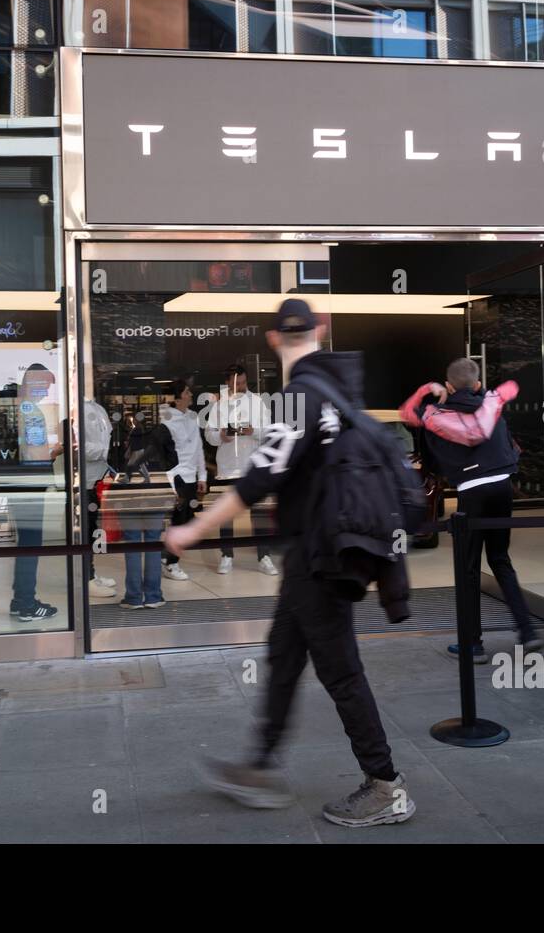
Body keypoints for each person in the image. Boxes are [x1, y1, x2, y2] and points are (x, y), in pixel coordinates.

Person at [165, 298, 416, 828]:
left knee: (340, 672)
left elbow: (258, 479)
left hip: (319, 558)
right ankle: (258, 765)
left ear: (273, 338)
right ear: (320, 331)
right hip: (317, 554)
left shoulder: (300, 397)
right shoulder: (337, 394)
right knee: (283, 656)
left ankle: (386, 784)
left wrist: (191, 528)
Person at [399, 358, 537, 663]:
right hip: (502, 485)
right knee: (500, 558)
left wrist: (426, 389)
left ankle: (472, 644)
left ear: (448, 386)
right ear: (477, 384)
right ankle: (527, 631)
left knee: (469, 567)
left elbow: (406, 413)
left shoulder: (437, 412)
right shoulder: (491, 407)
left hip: (471, 490)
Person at [0, 366, 60, 622]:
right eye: (45, 386)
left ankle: (19, 599)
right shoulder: (31, 411)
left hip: (15, 483)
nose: (47, 393)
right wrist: (54, 452)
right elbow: (34, 452)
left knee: (25, 542)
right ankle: (26, 604)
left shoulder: (12, 407)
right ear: (34, 384)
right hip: (31, 485)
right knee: (31, 543)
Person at [205, 363, 277, 576]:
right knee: (226, 515)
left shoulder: (258, 403)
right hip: (228, 468)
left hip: (253, 466)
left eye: (244, 382)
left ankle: (264, 556)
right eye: (237, 383)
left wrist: (254, 431)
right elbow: (209, 435)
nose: (242, 386)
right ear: (228, 382)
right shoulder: (219, 406)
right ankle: (227, 555)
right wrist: (222, 436)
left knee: (259, 514)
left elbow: (268, 432)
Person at [156, 378, 207, 581]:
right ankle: (171, 563)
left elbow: (198, 449)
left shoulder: (193, 417)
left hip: (191, 477)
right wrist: (172, 482)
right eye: (187, 392)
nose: (191, 395)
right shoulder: (166, 421)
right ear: (177, 399)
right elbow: (163, 456)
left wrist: (202, 475)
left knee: (187, 521)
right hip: (176, 478)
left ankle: (166, 555)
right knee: (179, 522)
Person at [82, 393, 117, 598]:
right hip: (84, 480)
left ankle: (91, 574)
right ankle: (87, 578)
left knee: (93, 529)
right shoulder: (80, 408)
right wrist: (106, 452)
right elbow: (80, 446)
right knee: (87, 531)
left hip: (96, 478)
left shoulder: (98, 408)